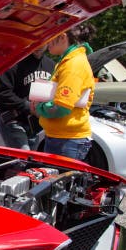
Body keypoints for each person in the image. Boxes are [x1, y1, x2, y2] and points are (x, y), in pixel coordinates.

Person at [33, 23, 97, 160]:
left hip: (67, 141)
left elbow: (61, 107)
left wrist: (39, 108)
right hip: (62, 138)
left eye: (50, 37)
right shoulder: (68, 61)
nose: (47, 42)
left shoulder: (73, 64)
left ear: (62, 37)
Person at [0, 46, 55, 150]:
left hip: (35, 125)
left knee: (30, 158)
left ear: (49, 41)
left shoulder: (51, 65)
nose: (40, 46)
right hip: (14, 121)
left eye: (43, 42)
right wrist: (28, 106)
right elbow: (1, 93)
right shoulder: (14, 62)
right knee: (23, 157)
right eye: (38, 43)